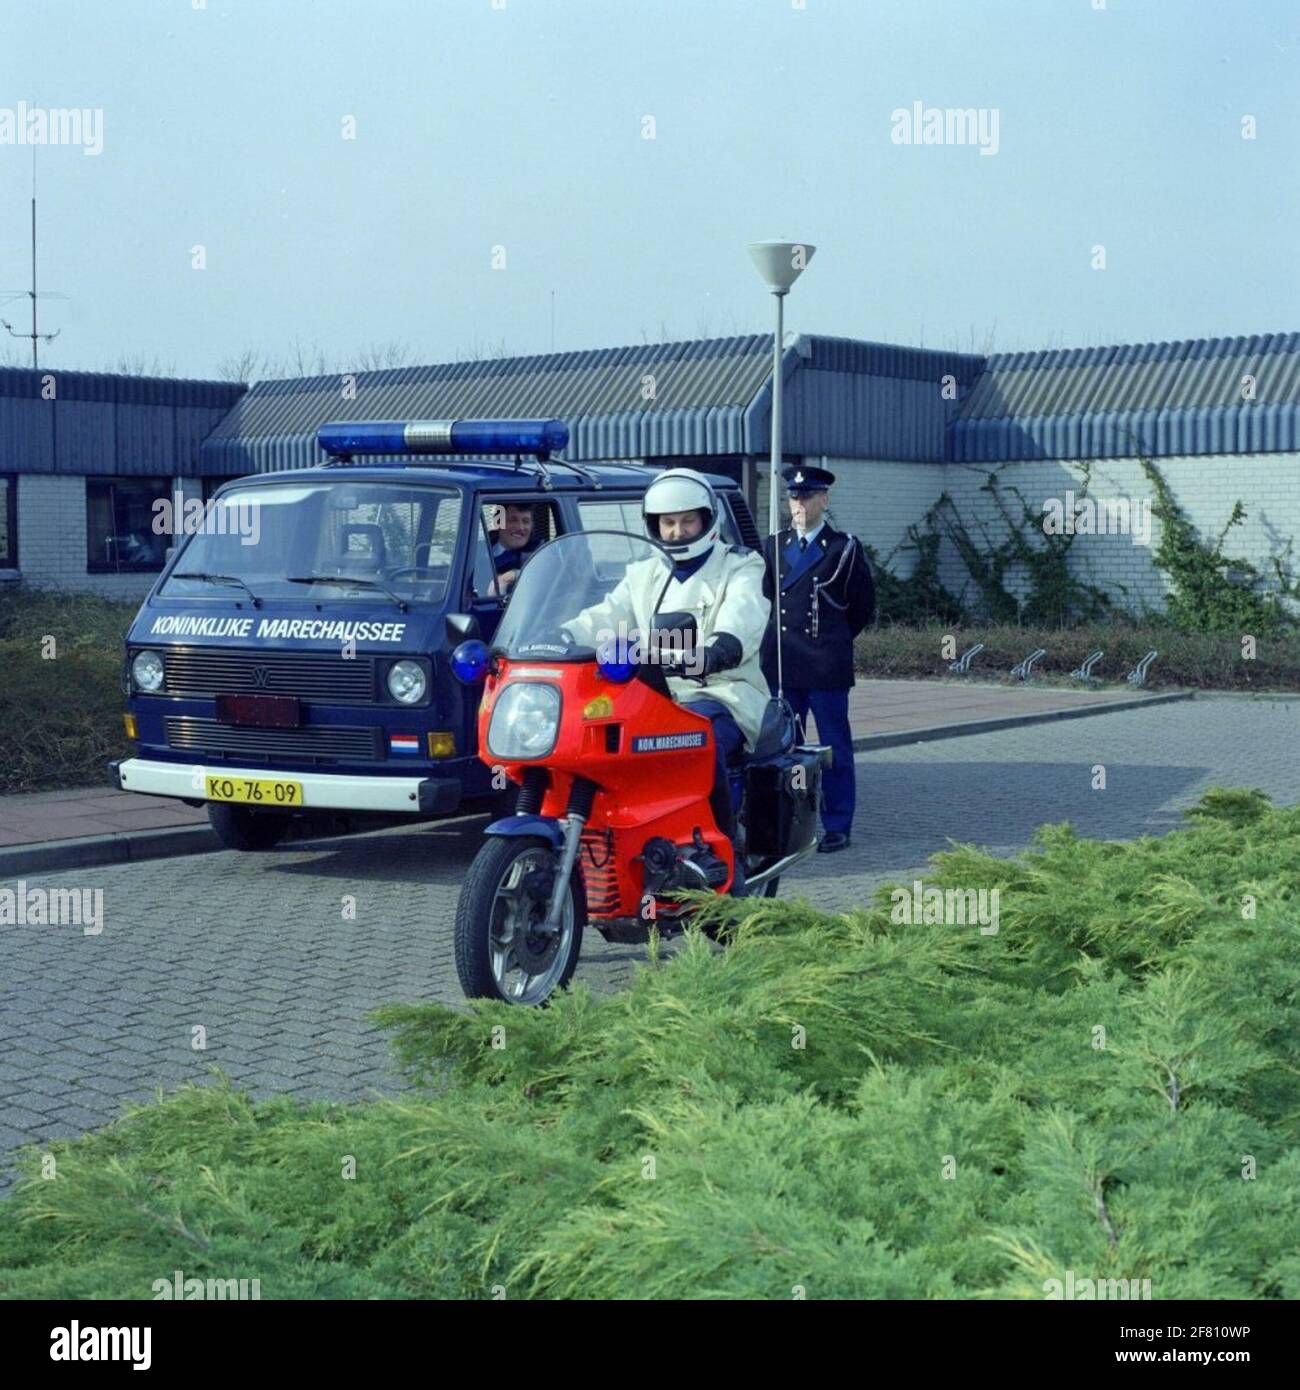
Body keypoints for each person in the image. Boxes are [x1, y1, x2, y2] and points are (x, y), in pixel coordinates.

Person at [562, 468, 770, 865]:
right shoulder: (644, 573)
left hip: (722, 691)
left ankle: (725, 853)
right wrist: (564, 636)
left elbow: (742, 618)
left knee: (702, 743)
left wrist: (716, 650)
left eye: (687, 520)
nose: (677, 531)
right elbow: (607, 615)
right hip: (653, 692)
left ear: (708, 520)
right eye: (668, 523)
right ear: (654, 526)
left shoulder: (740, 566)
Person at [761, 465, 875, 853]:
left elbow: (861, 609)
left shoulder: (845, 548)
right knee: (783, 752)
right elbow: (764, 605)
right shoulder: (773, 546)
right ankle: (787, 825)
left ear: (824, 499)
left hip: (825, 667)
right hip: (783, 666)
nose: (799, 504)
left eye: (807, 496)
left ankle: (837, 824)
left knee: (833, 750)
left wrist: (832, 642)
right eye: (794, 497)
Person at [487, 502, 536, 596]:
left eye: (526, 521)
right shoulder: (479, 548)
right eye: (513, 520)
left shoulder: (537, 553)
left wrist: (511, 576)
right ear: (498, 522)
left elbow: (547, 573)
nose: (520, 527)